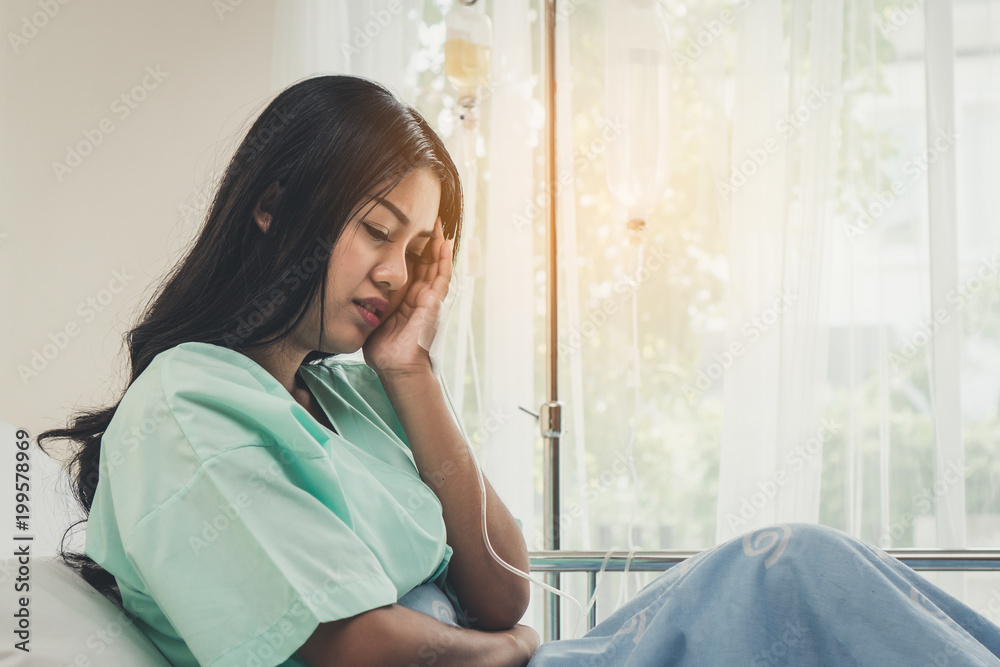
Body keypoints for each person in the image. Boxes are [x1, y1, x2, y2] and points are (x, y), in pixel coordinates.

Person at [37, 75, 1000, 667]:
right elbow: (363, 648)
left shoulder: (346, 391)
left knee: (797, 567)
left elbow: (503, 586)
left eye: (414, 248)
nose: (391, 269)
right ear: (273, 205)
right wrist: (515, 653)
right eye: (377, 228)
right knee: (787, 577)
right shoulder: (187, 405)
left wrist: (412, 374)